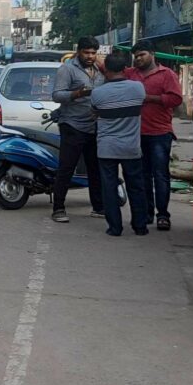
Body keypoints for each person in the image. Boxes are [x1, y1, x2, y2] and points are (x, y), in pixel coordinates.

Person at [126, 40, 183, 231]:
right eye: (136, 56)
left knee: (161, 175)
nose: (138, 59)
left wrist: (150, 98)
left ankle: (163, 215)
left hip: (160, 133)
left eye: (142, 55)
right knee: (142, 176)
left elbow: (176, 99)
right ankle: (147, 213)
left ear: (152, 54)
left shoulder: (167, 75)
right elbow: (110, 71)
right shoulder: (131, 74)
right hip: (137, 133)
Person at [91, 52, 149, 236]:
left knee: (109, 187)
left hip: (107, 147)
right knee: (136, 186)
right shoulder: (138, 88)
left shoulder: (97, 93)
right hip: (131, 147)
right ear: (126, 69)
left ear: (105, 70)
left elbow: (95, 113)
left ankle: (115, 227)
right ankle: (140, 226)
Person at [50, 35, 105, 223]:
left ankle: (98, 207)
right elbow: (57, 95)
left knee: (95, 168)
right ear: (78, 51)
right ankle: (58, 208)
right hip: (72, 125)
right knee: (67, 168)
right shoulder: (67, 69)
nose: (90, 56)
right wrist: (76, 94)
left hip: (94, 126)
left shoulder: (99, 69)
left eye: (93, 53)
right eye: (86, 52)